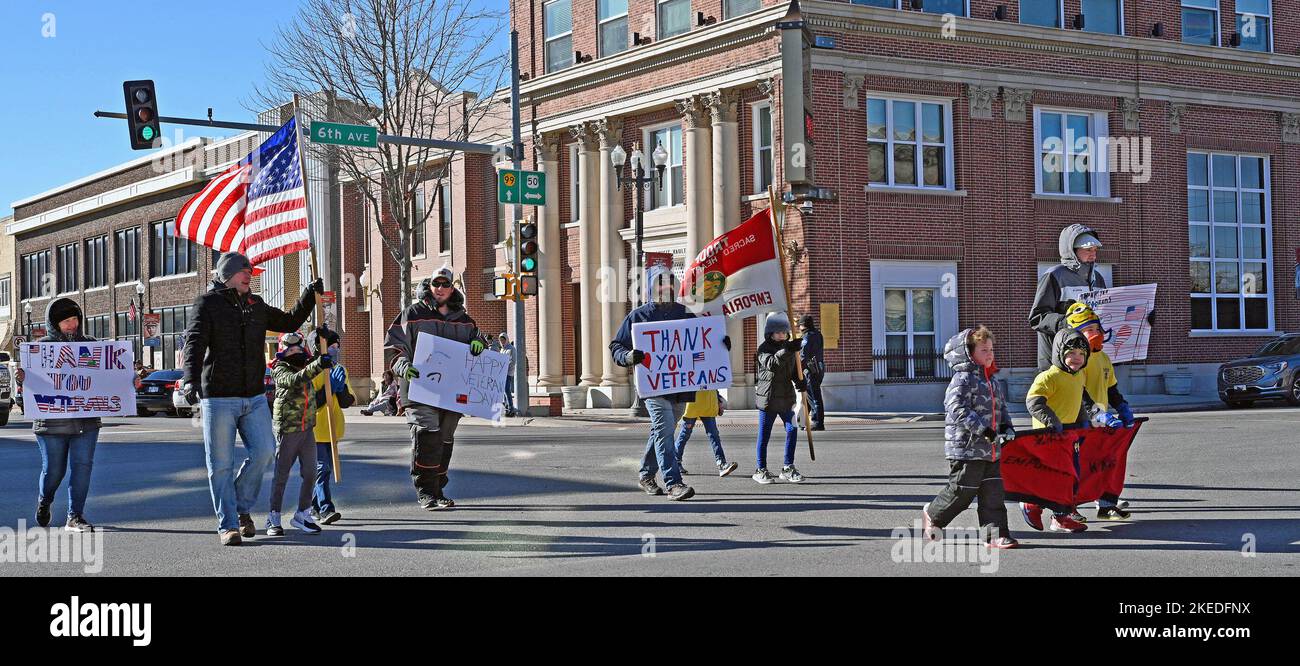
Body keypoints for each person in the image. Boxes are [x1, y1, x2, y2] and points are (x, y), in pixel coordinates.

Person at [182, 251, 320, 546]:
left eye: (251, 273)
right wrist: (190, 379)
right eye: (245, 272)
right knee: (220, 465)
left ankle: (240, 506)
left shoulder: (256, 305)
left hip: (254, 396)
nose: (250, 276)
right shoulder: (207, 304)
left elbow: (289, 321)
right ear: (228, 274)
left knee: (265, 452)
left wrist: (309, 294)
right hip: (218, 397)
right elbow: (194, 343)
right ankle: (229, 524)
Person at [17, 298, 140, 532]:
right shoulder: (41, 349)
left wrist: (129, 381)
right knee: (54, 470)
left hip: (86, 422)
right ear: (55, 324)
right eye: (66, 321)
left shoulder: (92, 346)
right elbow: (30, 384)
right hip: (50, 424)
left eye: (75, 319)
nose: (72, 325)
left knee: (83, 466)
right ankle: (45, 500)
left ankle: (75, 516)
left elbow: (107, 377)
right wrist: (21, 378)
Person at [609, 270, 716, 501]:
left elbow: (703, 342)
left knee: (663, 431)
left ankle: (646, 475)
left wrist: (720, 344)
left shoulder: (685, 313)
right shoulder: (638, 316)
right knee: (665, 430)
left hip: (680, 388)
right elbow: (616, 346)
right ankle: (673, 483)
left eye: (669, 284)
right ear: (649, 288)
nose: (664, 288)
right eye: (659, 284)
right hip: (653, 387)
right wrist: (628, 357)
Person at [385, 266, 484, 511]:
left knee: (445, 439)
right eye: (436, 284)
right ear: (430, 285)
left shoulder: (464, 319)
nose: (440, 289)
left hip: (451, 392)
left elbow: (479, 341)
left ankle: (439, 489)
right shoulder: (413, 313)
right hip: (419, 389)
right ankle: (425, 491)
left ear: (452, 288)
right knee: (426, 434)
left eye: (445, 285)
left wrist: (478, 343)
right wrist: (402, 365)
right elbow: (395, 347)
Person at [921, 327, 1018, 549]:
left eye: (991, 349)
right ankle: (934, 513)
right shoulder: (963, 379)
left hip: (991, 449)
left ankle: (996, 535)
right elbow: (956, 408)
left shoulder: (992, 380)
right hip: (966, 448)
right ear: (968, 353)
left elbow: (1001, 408)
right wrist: (983, 430)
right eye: (984, 350)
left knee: (993, 494)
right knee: (962, 492)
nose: (990, 354)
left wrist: (1007, 427)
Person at [1065, 303, 1135, 520]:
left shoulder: (1104, 358)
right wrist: (1094, 413)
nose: (1095, 334)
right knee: (1079, 467)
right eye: (1089, 330)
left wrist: (1122, 407)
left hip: (1103, 424)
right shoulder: (1077, 359)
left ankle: (1106, 505)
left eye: (1097, 329)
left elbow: (1111, 388)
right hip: (1082, 422)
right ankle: (1068, 509)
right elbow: (1080, 392)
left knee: (1106, 464)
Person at [1020, 328, 1092, 533]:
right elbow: (1033, 403)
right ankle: (1031, 504)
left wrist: (1084, 426)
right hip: (1048, 438)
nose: (1076, 358)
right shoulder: (1048, 377)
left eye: (1081, 354)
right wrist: (1053, 423)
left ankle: (1060, 517)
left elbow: (1077, 404)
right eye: (1071, 353)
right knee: (1051, 479)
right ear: (1059, 352)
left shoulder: (1079, 376)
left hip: (1069, 438)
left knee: (1070, 478)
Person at [266, 332, 332, 536]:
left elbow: (319, 359)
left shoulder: (306, 364)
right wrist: (318, 364)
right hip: (288, 429)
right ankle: (273, 516)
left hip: (307, 429)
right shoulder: (279, 368)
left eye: (298, 348)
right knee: (281, 475)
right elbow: (293, 380)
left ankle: (303, 514)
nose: (295, 352)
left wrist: (323, 342)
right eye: (290, 348)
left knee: (311, 473)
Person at [1029, 225, 1108, 371]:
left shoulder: (1099, 279)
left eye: (1095, 250)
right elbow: (1037, 318)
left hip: (1089, 361)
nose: (1094, 255)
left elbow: (1103, 318)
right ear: (1072, 250)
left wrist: (1138, 318)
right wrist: (1069, 322)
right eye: (1088, 250)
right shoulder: (1054, 276)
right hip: (1058, 363)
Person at [752, 313, 806, 485]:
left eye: (784, 331)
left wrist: (801, 382)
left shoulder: (790, 349)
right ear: (770, 333)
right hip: (768, 399)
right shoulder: (763, 349)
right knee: (764, 435)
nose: (782, 334)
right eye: (778, 332)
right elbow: (773, 364)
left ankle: (788, 467)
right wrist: (789, 350)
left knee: (792, 430)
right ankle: (760, 469)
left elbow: (792, 371)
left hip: (786, 399)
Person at [310, 326, 354, 525]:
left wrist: (340, 387)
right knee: (323, 468)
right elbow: (309, 403)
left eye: (337, 345)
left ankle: (313, 507)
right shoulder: (310, 371)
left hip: (333, 428)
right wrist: (326, 390)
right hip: (314, 429)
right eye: (331, 345)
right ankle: (326, 508)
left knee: (324, 469)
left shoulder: (340, 369)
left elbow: (347, 401)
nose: (336, 349)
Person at [674, 389, 738, 477]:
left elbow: (714, 382)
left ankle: (722, 464)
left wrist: (718, 399)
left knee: (713, 435)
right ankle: (676, 463)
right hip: (693, 403)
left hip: (707, 403)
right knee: (685, 434)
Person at [797, 314, 826, 430]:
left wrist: (798, 369)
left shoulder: (807, 337)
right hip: (819, 368)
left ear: (803, 325)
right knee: (808, 397)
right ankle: (801, 421)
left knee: (814, 397)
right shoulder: (818, 334)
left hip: (810, 370)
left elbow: (803, 357)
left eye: (800, 325)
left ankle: (817, 422)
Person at [499, 332, 517, 417]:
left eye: (503, 339)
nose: (502, 341)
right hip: (502, 373)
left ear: (506, 339)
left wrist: (506, 367)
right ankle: (506, 407)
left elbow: (513, 361)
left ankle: (511, 408)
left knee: (507, 390)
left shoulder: (511, 348)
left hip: (508, 372)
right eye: (501, 340)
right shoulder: (502, 349)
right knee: (503, 390)